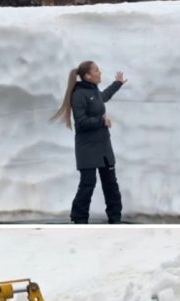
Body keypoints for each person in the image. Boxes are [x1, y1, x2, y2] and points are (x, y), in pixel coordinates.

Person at [50, 61, 127, 224]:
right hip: (87, 149)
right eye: (97, 70)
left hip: (103, 147)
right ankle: (79, 219)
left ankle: (115, 218)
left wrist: (117, 84)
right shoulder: (79, 94)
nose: (100, 72)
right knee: (88, 183)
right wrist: (101, 121)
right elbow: (81, 122)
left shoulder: (93, 91)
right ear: (87, 76)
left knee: (110, 184)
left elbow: (103, 96)